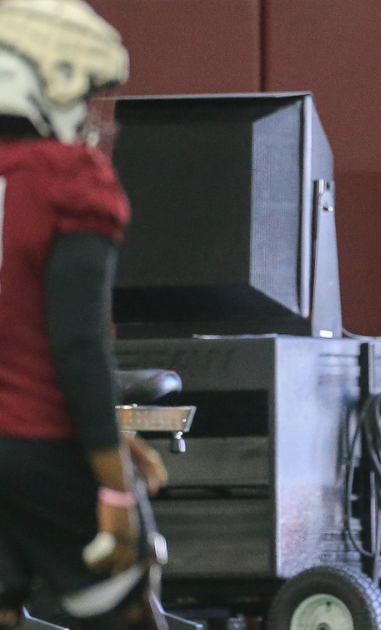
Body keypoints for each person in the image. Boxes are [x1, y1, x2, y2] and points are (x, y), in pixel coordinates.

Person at [0, 1, 166, 630]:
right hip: (39, 449)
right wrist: (112, 478)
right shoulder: (66, 177)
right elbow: (75, 345)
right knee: (127, 611)